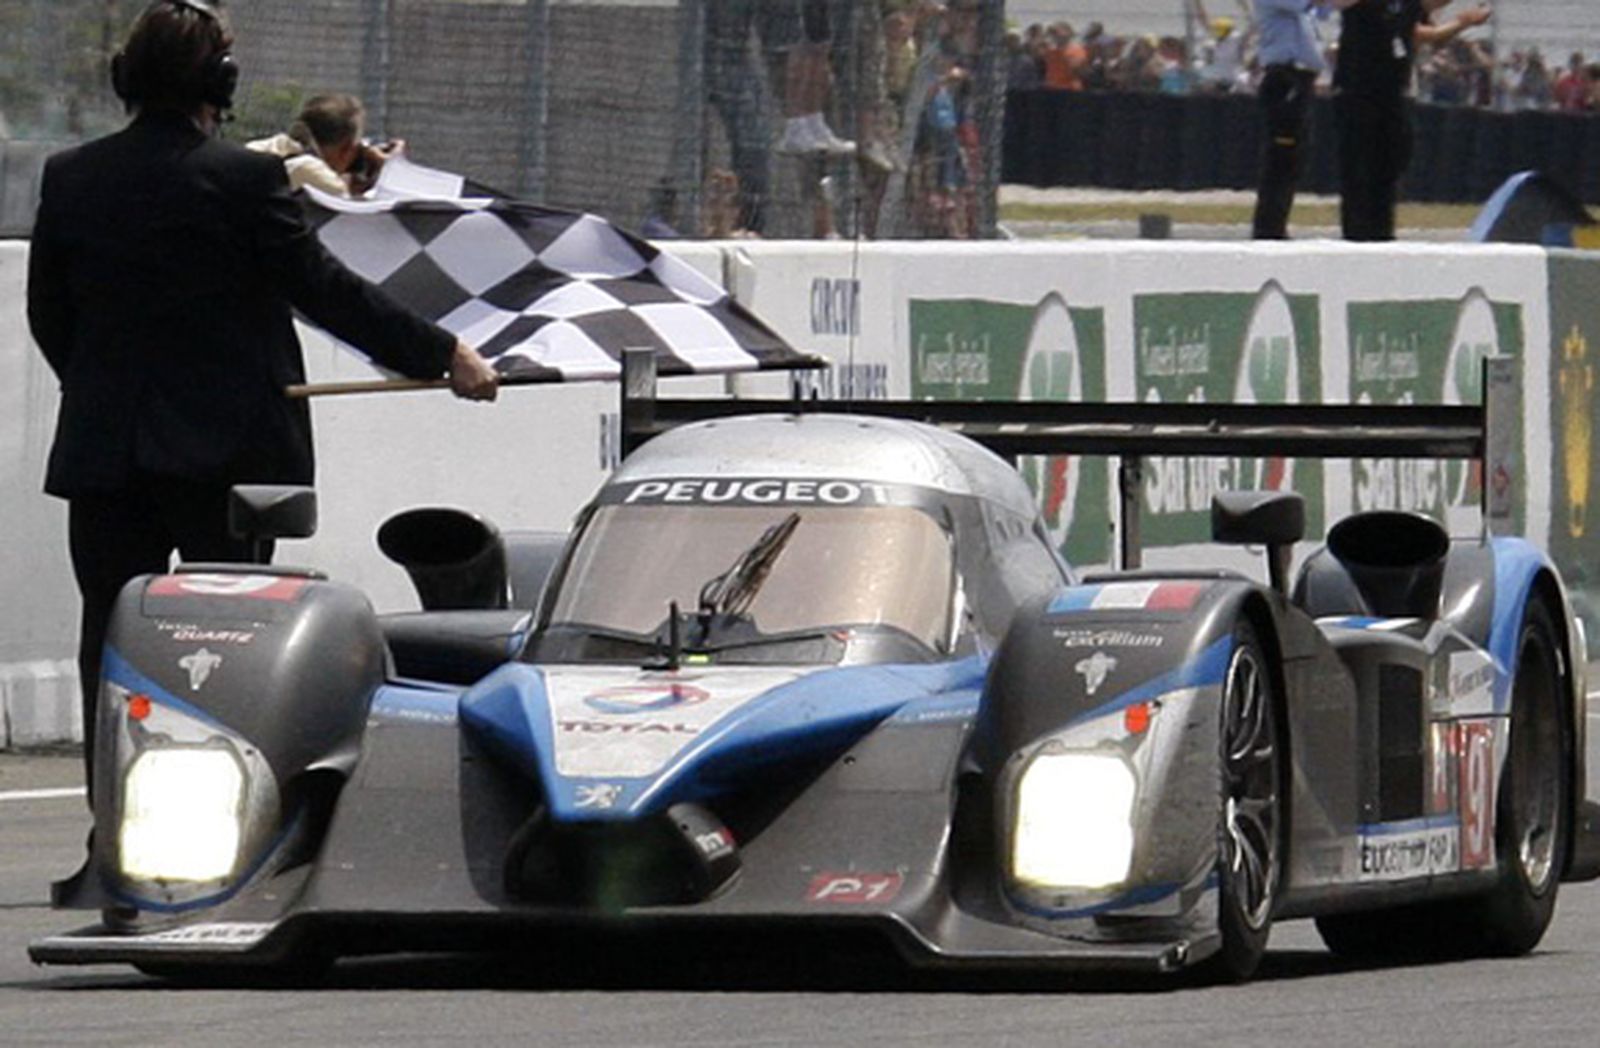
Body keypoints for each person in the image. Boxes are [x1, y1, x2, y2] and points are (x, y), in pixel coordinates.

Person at [25, 0, 499, 796]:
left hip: (107, 459)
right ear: (222, 81)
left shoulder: (72, 176)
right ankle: (224, 821)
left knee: (108, 644)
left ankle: (109, 824)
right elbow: (328, 291)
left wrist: (105, 390)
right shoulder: (246, 179)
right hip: (229, 466)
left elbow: (50, 315)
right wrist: (441, 350)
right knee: (229, 651)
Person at [1334, 0, 1491, 241]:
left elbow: (1430, 21)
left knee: (1392, 161)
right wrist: (1461, 22)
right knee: (1360, 167)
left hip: (1393, 92)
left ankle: (1381, 232)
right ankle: (1357, 232)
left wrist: (1465, 21)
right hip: (1359, 91)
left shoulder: (1406, 6)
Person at [1252, 1, 1335, 239]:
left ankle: (1278, 222)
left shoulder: (1302, 13)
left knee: (1295, 157)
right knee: (1281, 154)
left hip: (1302, 78)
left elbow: (1325, 11)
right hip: (1285, 76)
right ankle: (1269, 228)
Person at [246, 93, 399, 197]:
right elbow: (352, 222)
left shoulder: (268, 147)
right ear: (346, 149)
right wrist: (390, 170)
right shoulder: (311, 170)